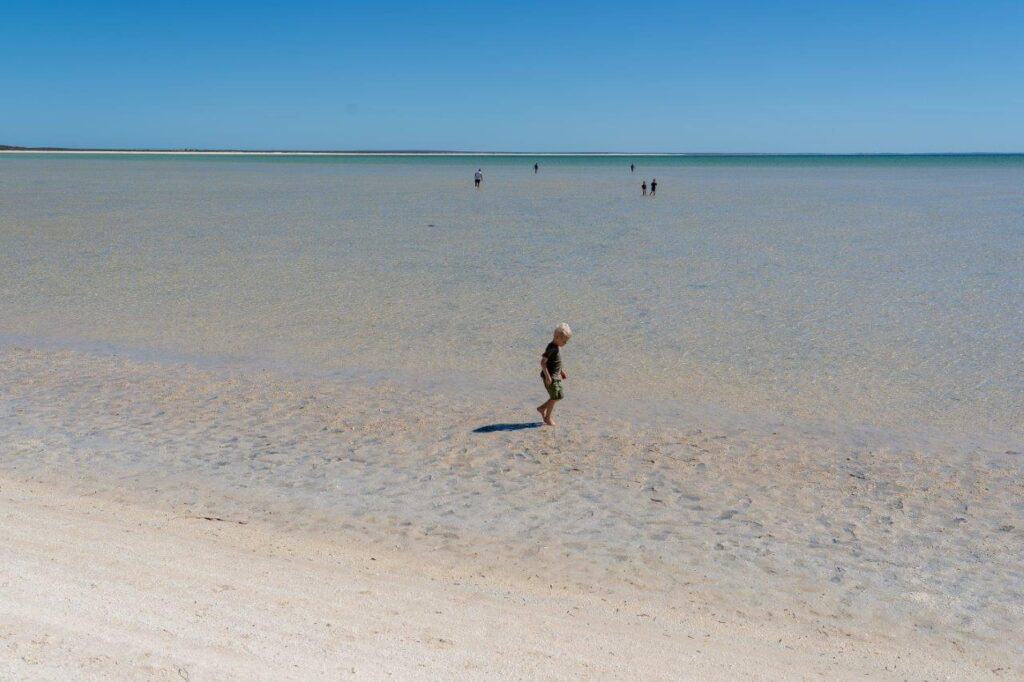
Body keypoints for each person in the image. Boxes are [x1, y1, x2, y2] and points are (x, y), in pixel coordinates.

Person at [537, 323, 572, 426]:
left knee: (558, 396)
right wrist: (548, 377)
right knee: (556, 396)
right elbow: (543, 362)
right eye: (564, 341)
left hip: (555, 376)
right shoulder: (551, 348)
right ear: (557, 338)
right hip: (551, 378)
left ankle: (542, 408)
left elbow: (555, 362)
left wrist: (561, 371)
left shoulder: (556, 347)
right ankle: (547, 417)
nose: (565, 343)